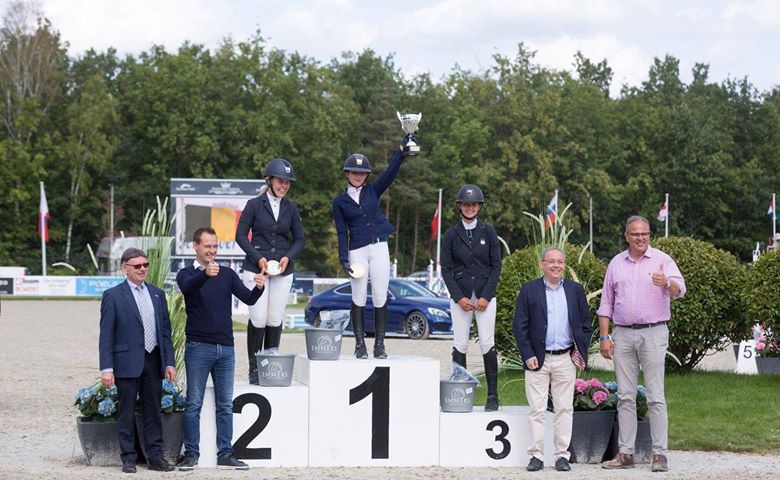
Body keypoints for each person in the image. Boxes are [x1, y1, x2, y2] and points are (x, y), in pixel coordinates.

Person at [598, 215, 685, 473]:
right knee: (625, 396)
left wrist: (666, 283)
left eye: (644, 234)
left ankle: (659, 454)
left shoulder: (662, 260)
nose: (640, 238)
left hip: (653, 333)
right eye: (635, 234)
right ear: (626, 236)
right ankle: (626, 453)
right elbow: (606, 304)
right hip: (623, 334)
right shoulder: (616, 263)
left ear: (649, 235)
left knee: (655, 396)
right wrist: (605, 337)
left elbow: (681, 290)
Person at [175, 227, 266, 471]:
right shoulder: (185, 273)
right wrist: (205, 274)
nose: (212, 250)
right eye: (207, 246)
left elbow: (248, 299)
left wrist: (259, 287)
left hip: (226, 348)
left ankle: (225, 453)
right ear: (195, 246)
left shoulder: (227, 273)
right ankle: (191, 453)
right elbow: (188, 288)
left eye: (215, 246)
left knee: (225, 404)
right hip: (198, 346)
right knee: (193, 403)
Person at [512, 247, 592, 472]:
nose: (556, 265)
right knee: (537, 409)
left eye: (560, 261)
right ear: (542, 264)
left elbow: (586, 324)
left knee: (564, 409)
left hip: (565, 358)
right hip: (537, 359)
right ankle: (536, 456)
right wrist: (527, 354)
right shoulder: (529, 290)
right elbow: (520, 326)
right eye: (551, 262)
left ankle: (561, 456)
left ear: (564, 264)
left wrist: (580, 350)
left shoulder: (576, 290)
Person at [332, 135, 412, 359]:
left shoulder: (372, 192)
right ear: (348, 174)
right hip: (356, 249)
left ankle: (379, 344)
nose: (358, 176)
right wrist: (343, 258)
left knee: (379, 294)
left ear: (366, 176)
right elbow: (341, 231)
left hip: (379, 247)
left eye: (361, 173)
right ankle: (359, 344)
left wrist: (400, 153)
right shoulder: (339, 202)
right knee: (358, 295)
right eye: (354, 172)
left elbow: (389, 175)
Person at [98, 247, 176, 473]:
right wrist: (106, 368)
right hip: (126, 362)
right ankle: (128, 458)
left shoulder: (158, 294)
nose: (143, 269)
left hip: (153, 361)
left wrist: (168, 362)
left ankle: (156, 457)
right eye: (137, 265)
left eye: (146, 265)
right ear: (125, 268)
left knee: (153, 410)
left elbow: (165, 332)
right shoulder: (113, 295)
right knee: (126, 410)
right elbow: (106, 335)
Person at [236, 158, 304, 384]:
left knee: (275, 318)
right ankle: (254, 369)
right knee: (258, 317)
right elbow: (240, 235)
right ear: (270, 180)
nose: (284, 185)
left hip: (283, 270)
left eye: (287, 182)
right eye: (280, 181)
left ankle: (271, 365)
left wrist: (288, 257)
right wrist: (258, 258)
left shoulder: (291, 208)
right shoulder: (254, 204)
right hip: (257, 269)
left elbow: (300, 240)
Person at [440, 184, 502, 411]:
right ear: (460, 206)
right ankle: (460, 390)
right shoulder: (451, 234)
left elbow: (496, 266)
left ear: (479, 206)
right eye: (466, 204)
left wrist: (486, 296)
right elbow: (446, 269)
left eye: (473, 204)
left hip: (485, 295)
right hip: (461, 294)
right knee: (460, 343)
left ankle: (492, 396)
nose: (469, 207)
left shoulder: (488, 231)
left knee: (487, 342)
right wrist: (457, 297)